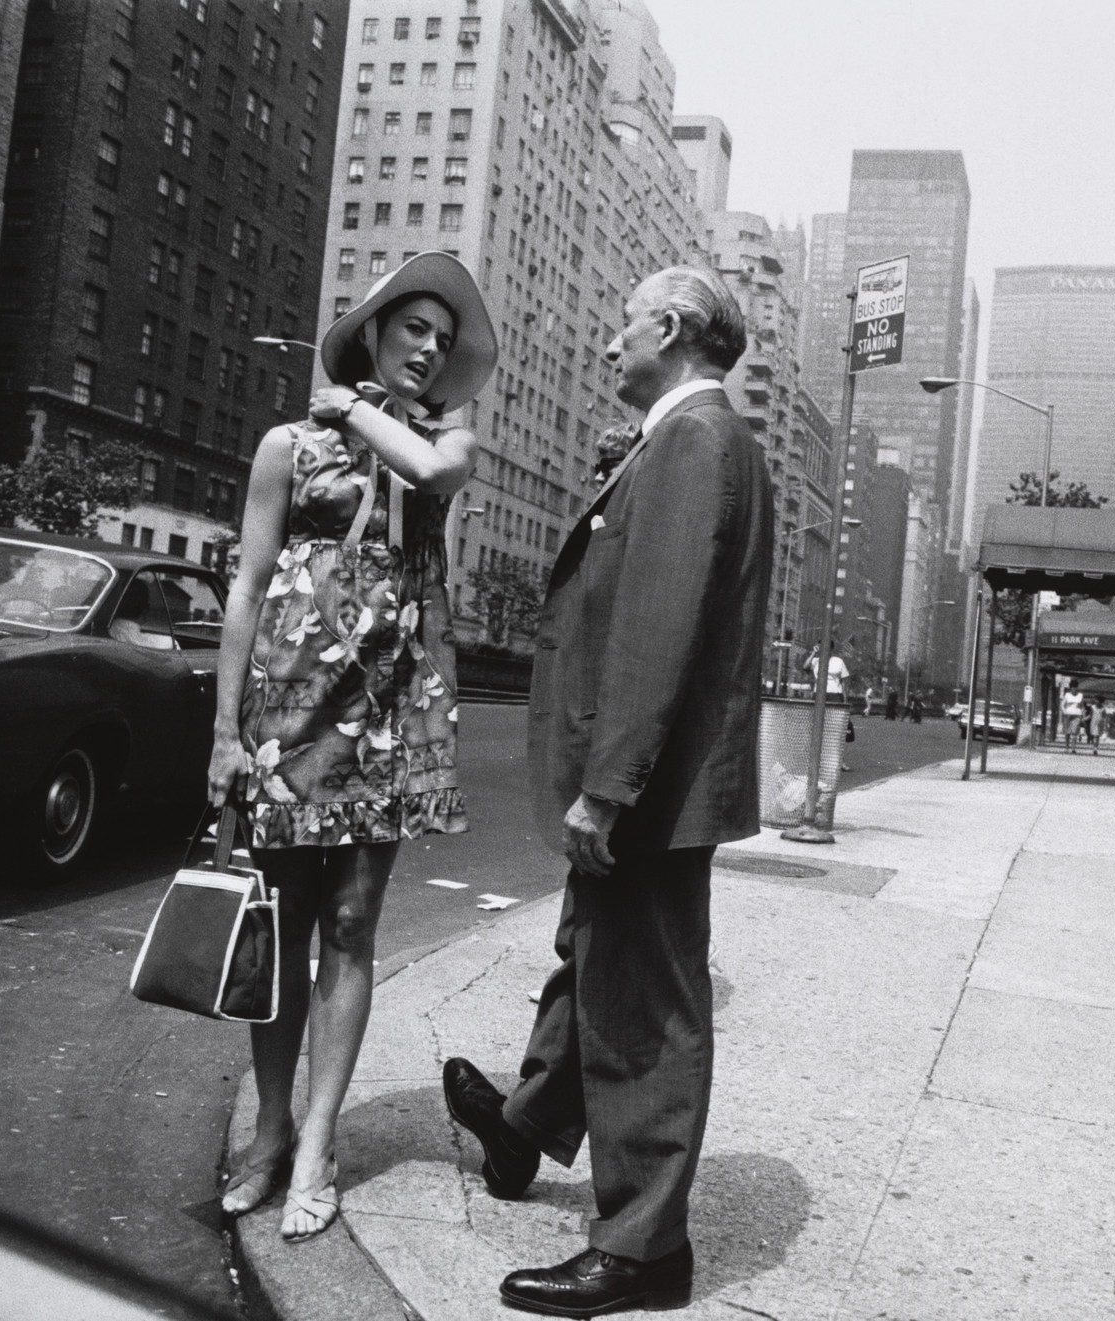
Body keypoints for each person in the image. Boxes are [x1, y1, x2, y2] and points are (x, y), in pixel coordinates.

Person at [441, 266, 771, 1316]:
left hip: (653, 784)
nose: (605, 342)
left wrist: (609, 788)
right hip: (652, 778)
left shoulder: (691, 442)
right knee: (594, 954)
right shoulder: (685, 441)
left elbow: (656, 631)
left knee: (644, 1006)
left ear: (668, 329)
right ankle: (528, 1126)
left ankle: (640, 1248)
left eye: (621, 322)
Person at [205, 253, 491, 1242]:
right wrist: (222, 732)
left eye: (442, 342)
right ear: (372, 330)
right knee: (277, 931)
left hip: (384, 713)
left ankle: (319, 1144)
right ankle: (272, 1130)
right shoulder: (287, 447)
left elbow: (432, 470)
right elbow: (243, 586)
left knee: (352, 926)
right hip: (287, 710)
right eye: (412, 329)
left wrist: (350, 405)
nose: (427, 350)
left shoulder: (437, 445)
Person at [1060, 686, 1085, 752]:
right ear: (1071, 689)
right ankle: (1067, 747)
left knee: (1074, 732)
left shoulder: (1080, 695)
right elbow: (1062, 704)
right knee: (1067, 732)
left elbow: (1082, 706)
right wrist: (1064, 711)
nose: (1074, 690)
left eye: (1075, 688)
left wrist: (1082, 713)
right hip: (1068, 714)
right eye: (1073, 688)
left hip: (1077, 715)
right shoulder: (1067, 695)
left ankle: (1073, 748)